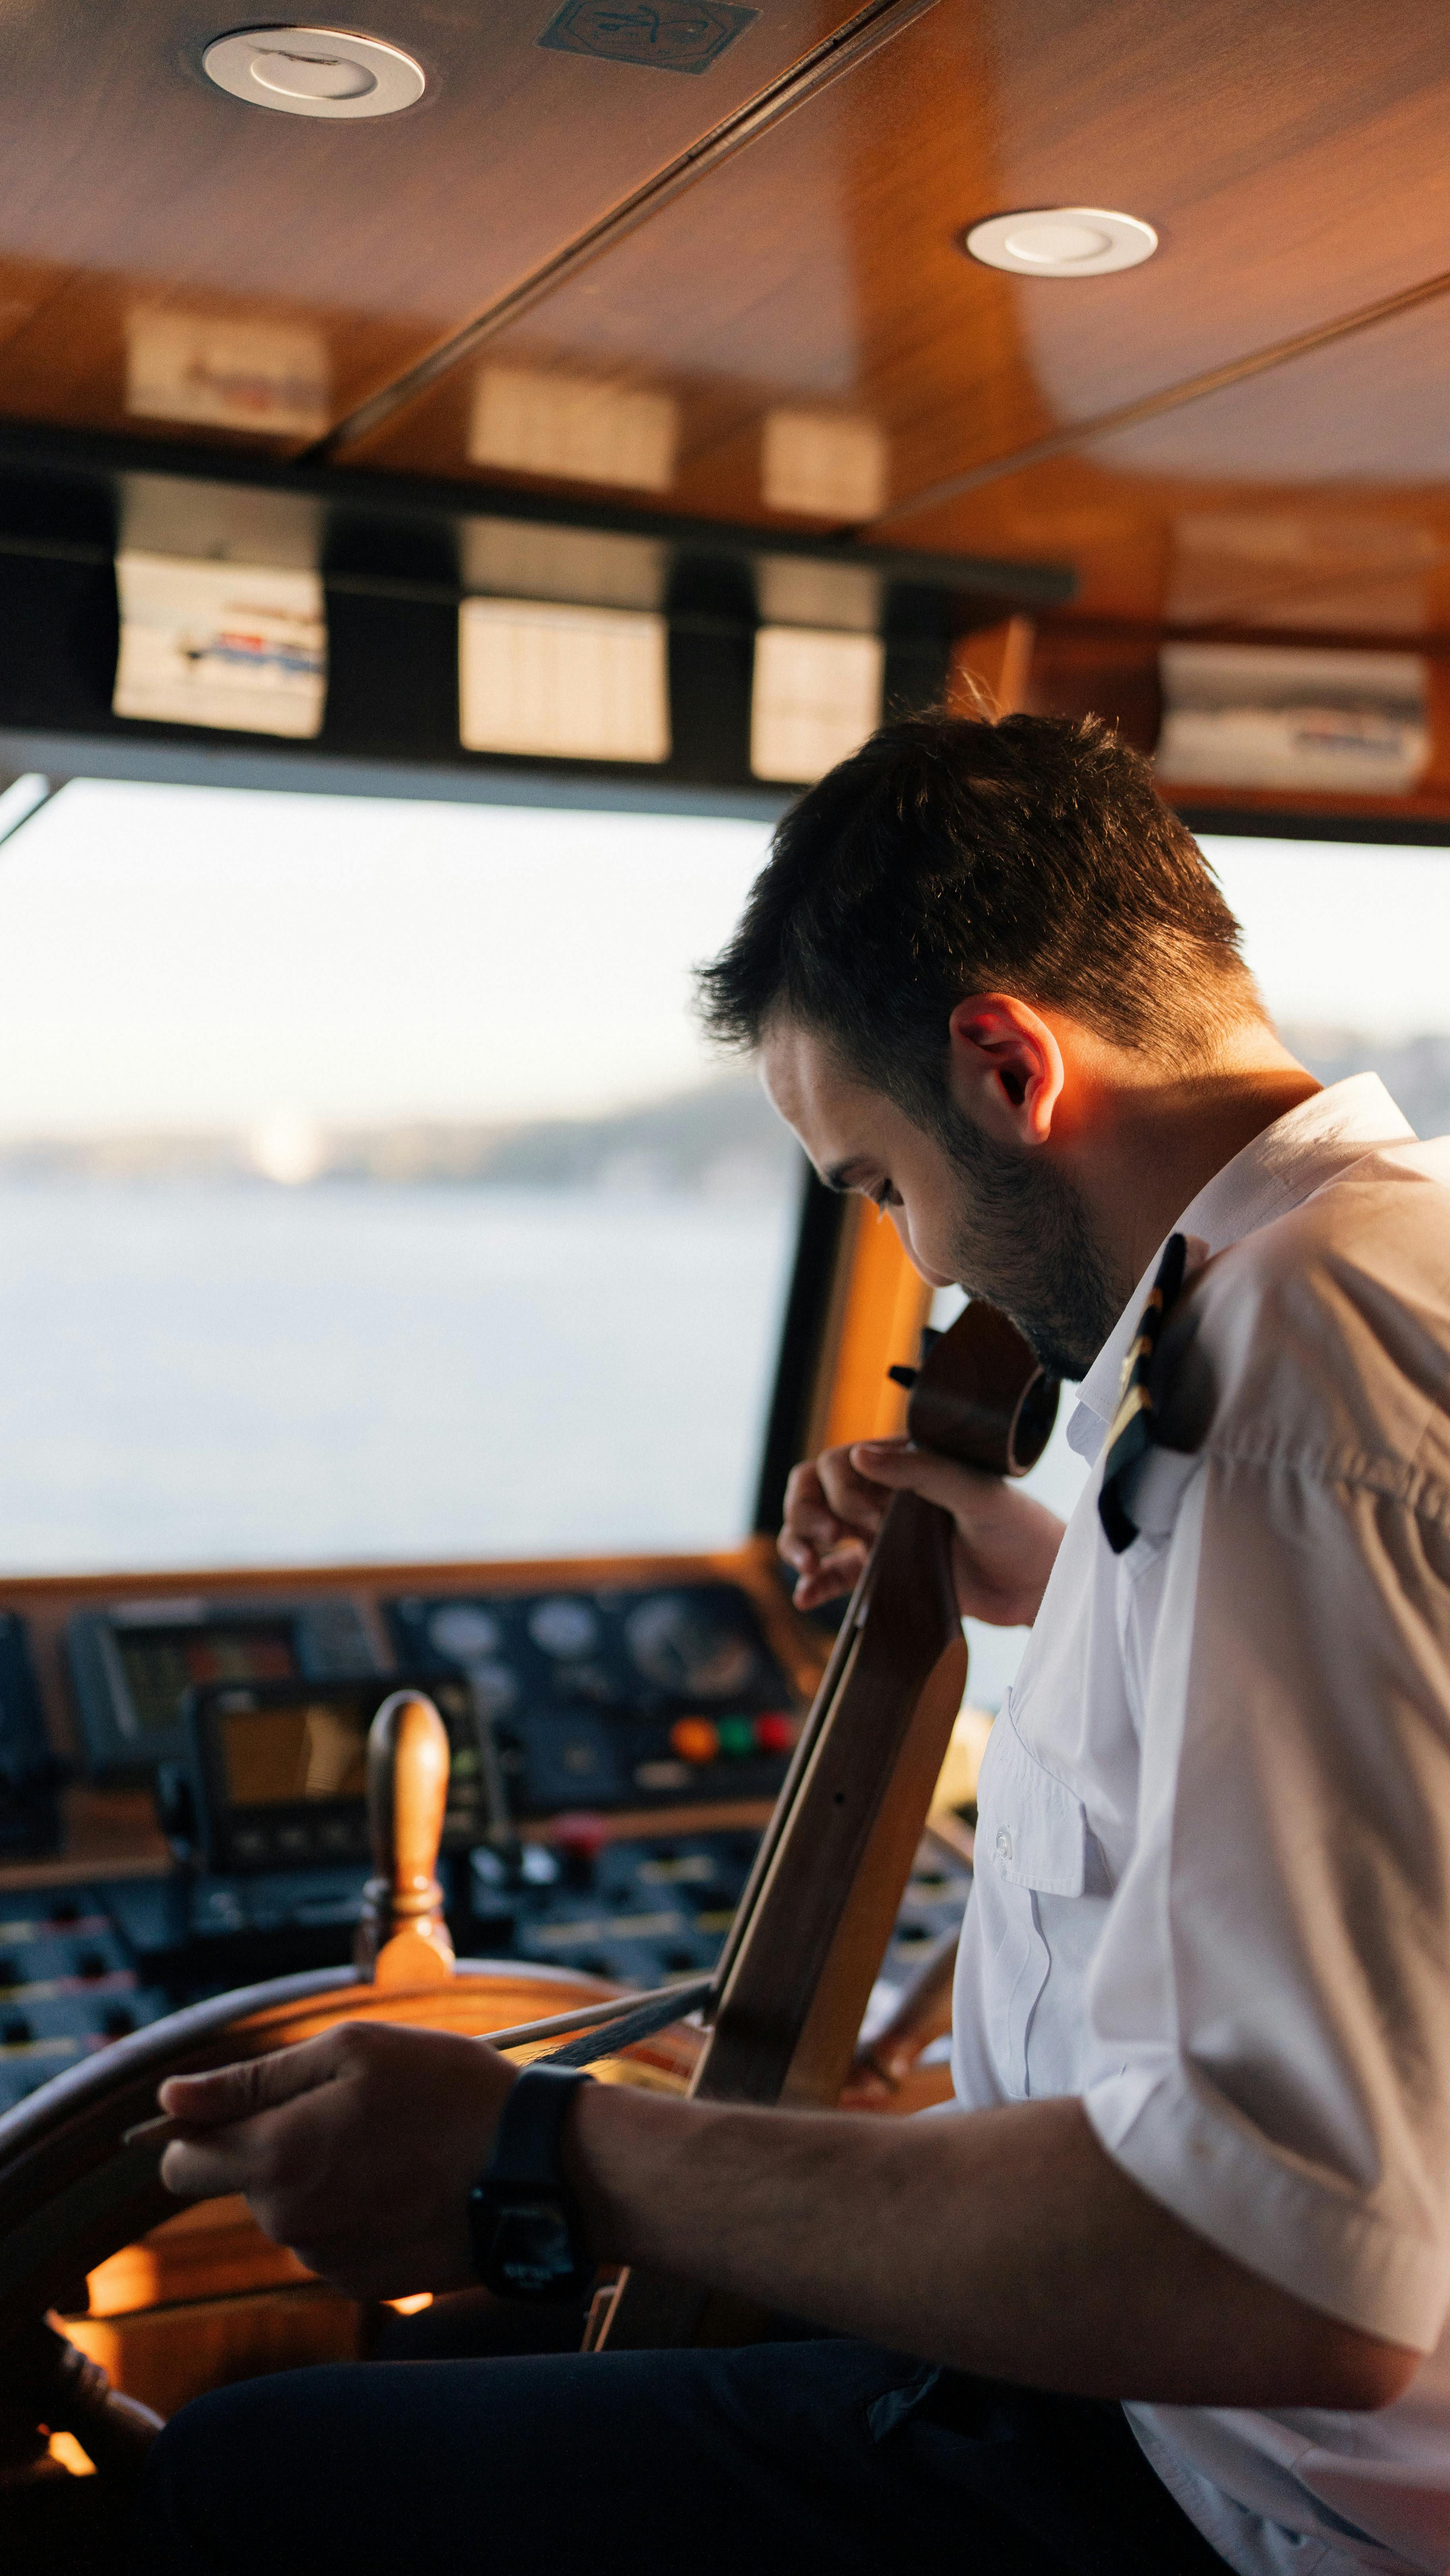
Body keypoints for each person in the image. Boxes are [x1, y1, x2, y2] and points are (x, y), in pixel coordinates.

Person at [132, 712, 1450, 2576]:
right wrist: (1064, 1577)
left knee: (255, 2476)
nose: (922, 1267)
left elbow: (1271, 2261)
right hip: (1211, 2422)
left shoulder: (1289, 1376)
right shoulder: (1372, 1276)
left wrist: (539, 2151)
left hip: (1239, 2493)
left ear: (1005, 1063)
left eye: (883, 1186)